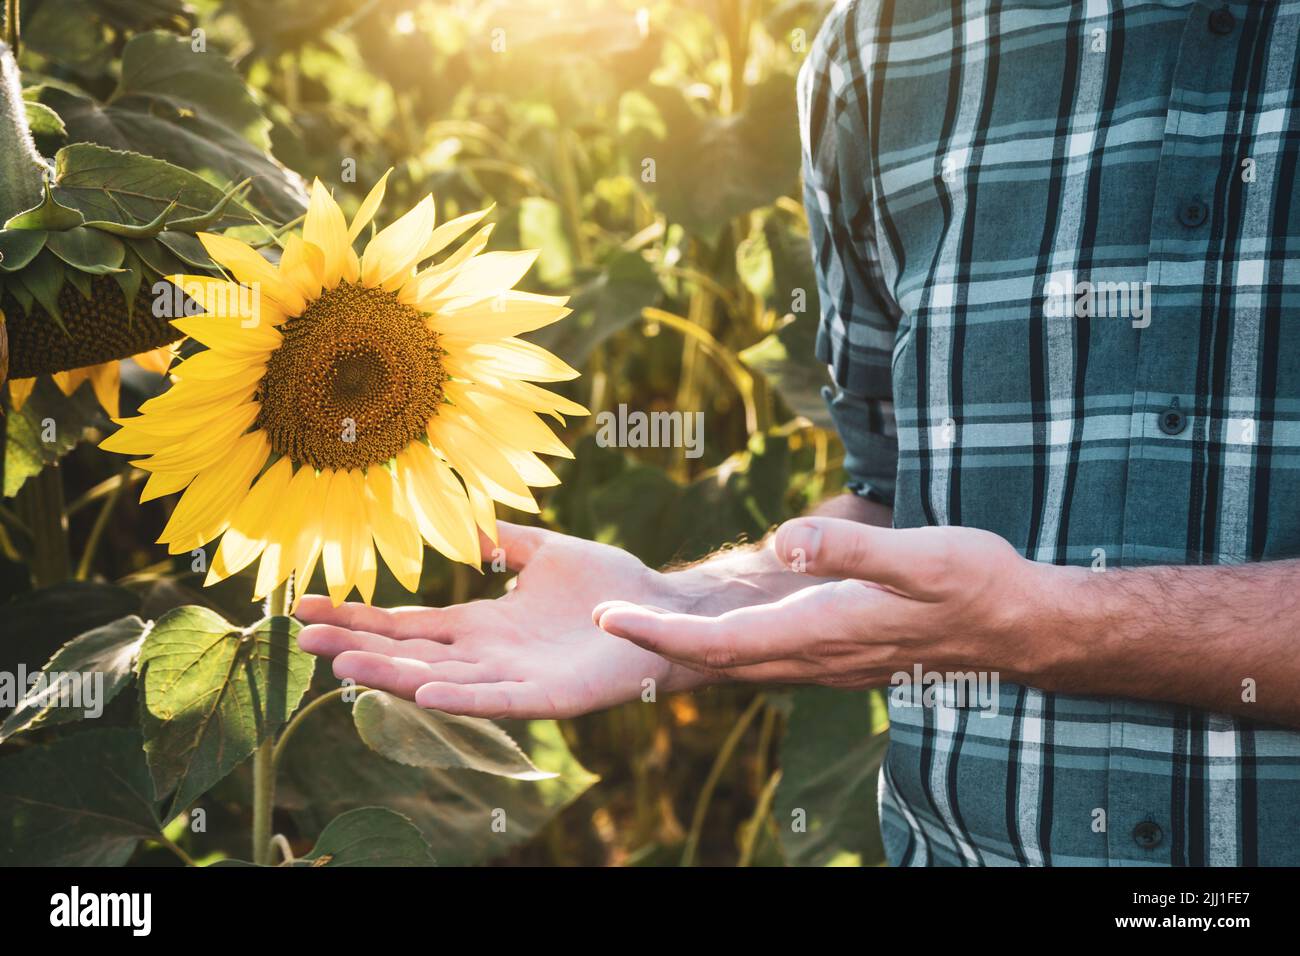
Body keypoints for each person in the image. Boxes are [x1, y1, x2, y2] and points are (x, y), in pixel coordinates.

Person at [297, 0, 1300, 865]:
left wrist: (1042, 624)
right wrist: (677, 603)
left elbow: (984, 595)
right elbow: (892, 494)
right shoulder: (890, 41)